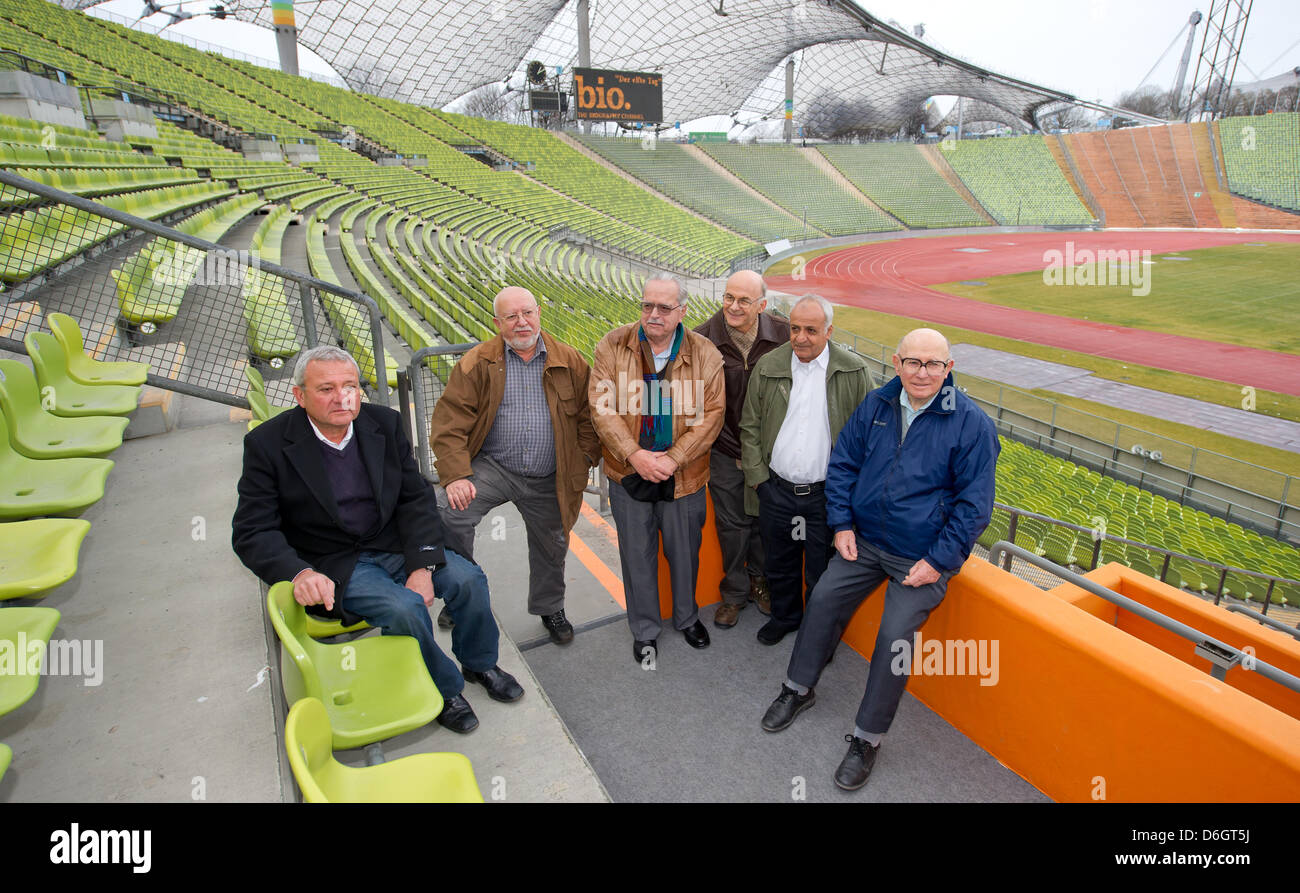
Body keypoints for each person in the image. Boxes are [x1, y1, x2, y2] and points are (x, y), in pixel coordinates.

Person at [232, 345, 524, 736]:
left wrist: (421, 566)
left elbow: (414, 497)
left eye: (349, 386)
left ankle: (479, 662)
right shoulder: (268, 445)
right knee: (404, 608)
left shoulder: (383, 424)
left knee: (468, 580)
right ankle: (443, 689)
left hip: (395, 543)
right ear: (299, 395)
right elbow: (252, 530)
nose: (342, 398)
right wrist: (299, 572)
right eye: (326, 389)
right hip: (338, 560)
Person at [759, 328, 999, 791]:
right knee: (824, 598)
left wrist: (937, 560)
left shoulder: (973, 425)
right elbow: (844, 462)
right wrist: (843, 524)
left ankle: (867, 739)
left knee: (893, 637)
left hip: (923, 556)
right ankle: (798, 689)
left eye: (933, 364)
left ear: (949, 369)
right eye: (913, 362)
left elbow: (974, 508)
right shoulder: (877, 404)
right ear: (896, 362)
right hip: (865, 540)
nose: (922, 372)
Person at [431, 286, 602, 646]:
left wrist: (584, 459)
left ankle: (550, 606)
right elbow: (450, 423)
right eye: (511, 316)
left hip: (549, 473)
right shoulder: (477, 363)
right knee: (452, 513)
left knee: (551, 543)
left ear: (539, 313)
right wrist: (457, 475)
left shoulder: (570, 361)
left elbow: (590, 418)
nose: (521, 322)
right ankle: (462, 592)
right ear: (498, 323)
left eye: (527, 313)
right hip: (494, 467)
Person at [589, 274, 724, 665]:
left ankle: (687, 618)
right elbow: (601, 407)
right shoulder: (612, 344)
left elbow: (712, 416)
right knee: (637, 556)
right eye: (647, 305)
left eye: (664, 308)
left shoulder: (705, 353)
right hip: (629, 471)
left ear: (682, 311)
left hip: (683, 474)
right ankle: (645, 630)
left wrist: (672, 458)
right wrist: (635, 454)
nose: (654, 314)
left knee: (685, 554)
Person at [739, 294, 873, 646]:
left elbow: (869, 438)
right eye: (795, 328)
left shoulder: (854, 371)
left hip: (826, 496)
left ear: (829, 331)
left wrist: (849, 494)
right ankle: (784, 618)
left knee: (821, 571)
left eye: (811, 330)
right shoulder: (768, 366)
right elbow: (749, 427)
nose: (800, 337)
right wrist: (759, 482)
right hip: (775, 491)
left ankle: (816, 636)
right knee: (778, 563)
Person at [694, 269, 789, 629]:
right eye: (729, 297)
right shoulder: (702, 338)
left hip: (770, 453)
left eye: (744, 300)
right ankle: (734, 592)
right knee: (732, 526)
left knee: (766, 522)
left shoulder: (783, 335)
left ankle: (760, 582)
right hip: (724, 450)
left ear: (762, 305)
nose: (734, 306)